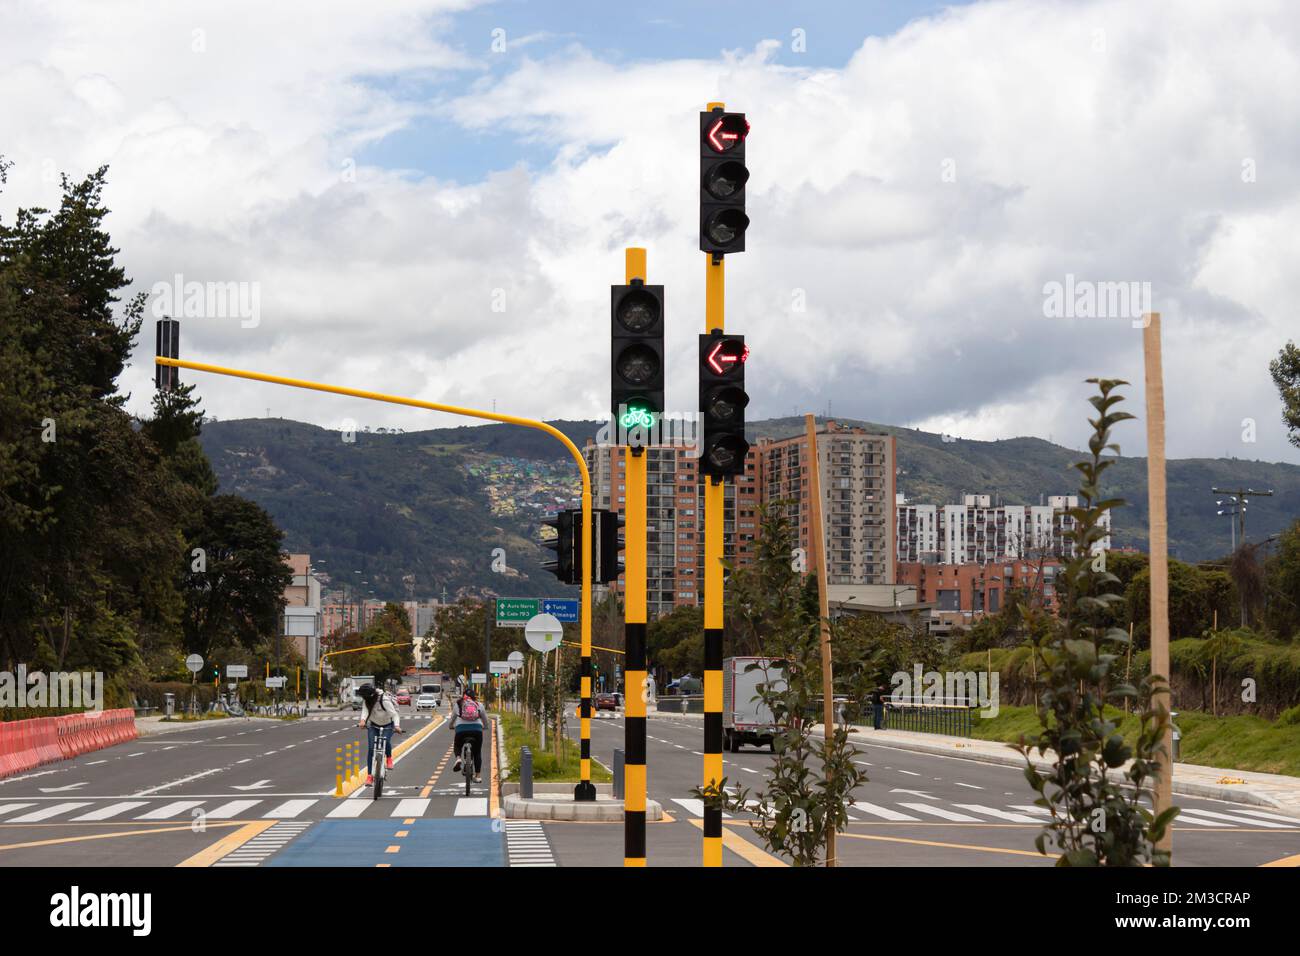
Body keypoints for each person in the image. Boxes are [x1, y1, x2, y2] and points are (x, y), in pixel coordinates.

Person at [357, 683, 404, 785]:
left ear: (370, 695)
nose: (364, 698)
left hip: (388, 725)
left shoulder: (384, 700)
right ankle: (369, 776)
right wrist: (362, 720)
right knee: (370, 748)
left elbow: (394, 714)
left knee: (385, 740)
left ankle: (389, 758)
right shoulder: (367, 700)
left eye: (365, 696)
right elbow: (365, 711)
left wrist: (396, 726)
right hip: (373, 725)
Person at [450, 687, 487, 783]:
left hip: (461, 729)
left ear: (464, 696)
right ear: (474, 697)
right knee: (477, 752)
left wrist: (451, 726)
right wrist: (485, 727)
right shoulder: (479, 705)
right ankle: (478, 776)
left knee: (457, 745)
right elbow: (484, 718)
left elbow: (453, 718)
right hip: (476, 730)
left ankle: (458, 758)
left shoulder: (458, 704)